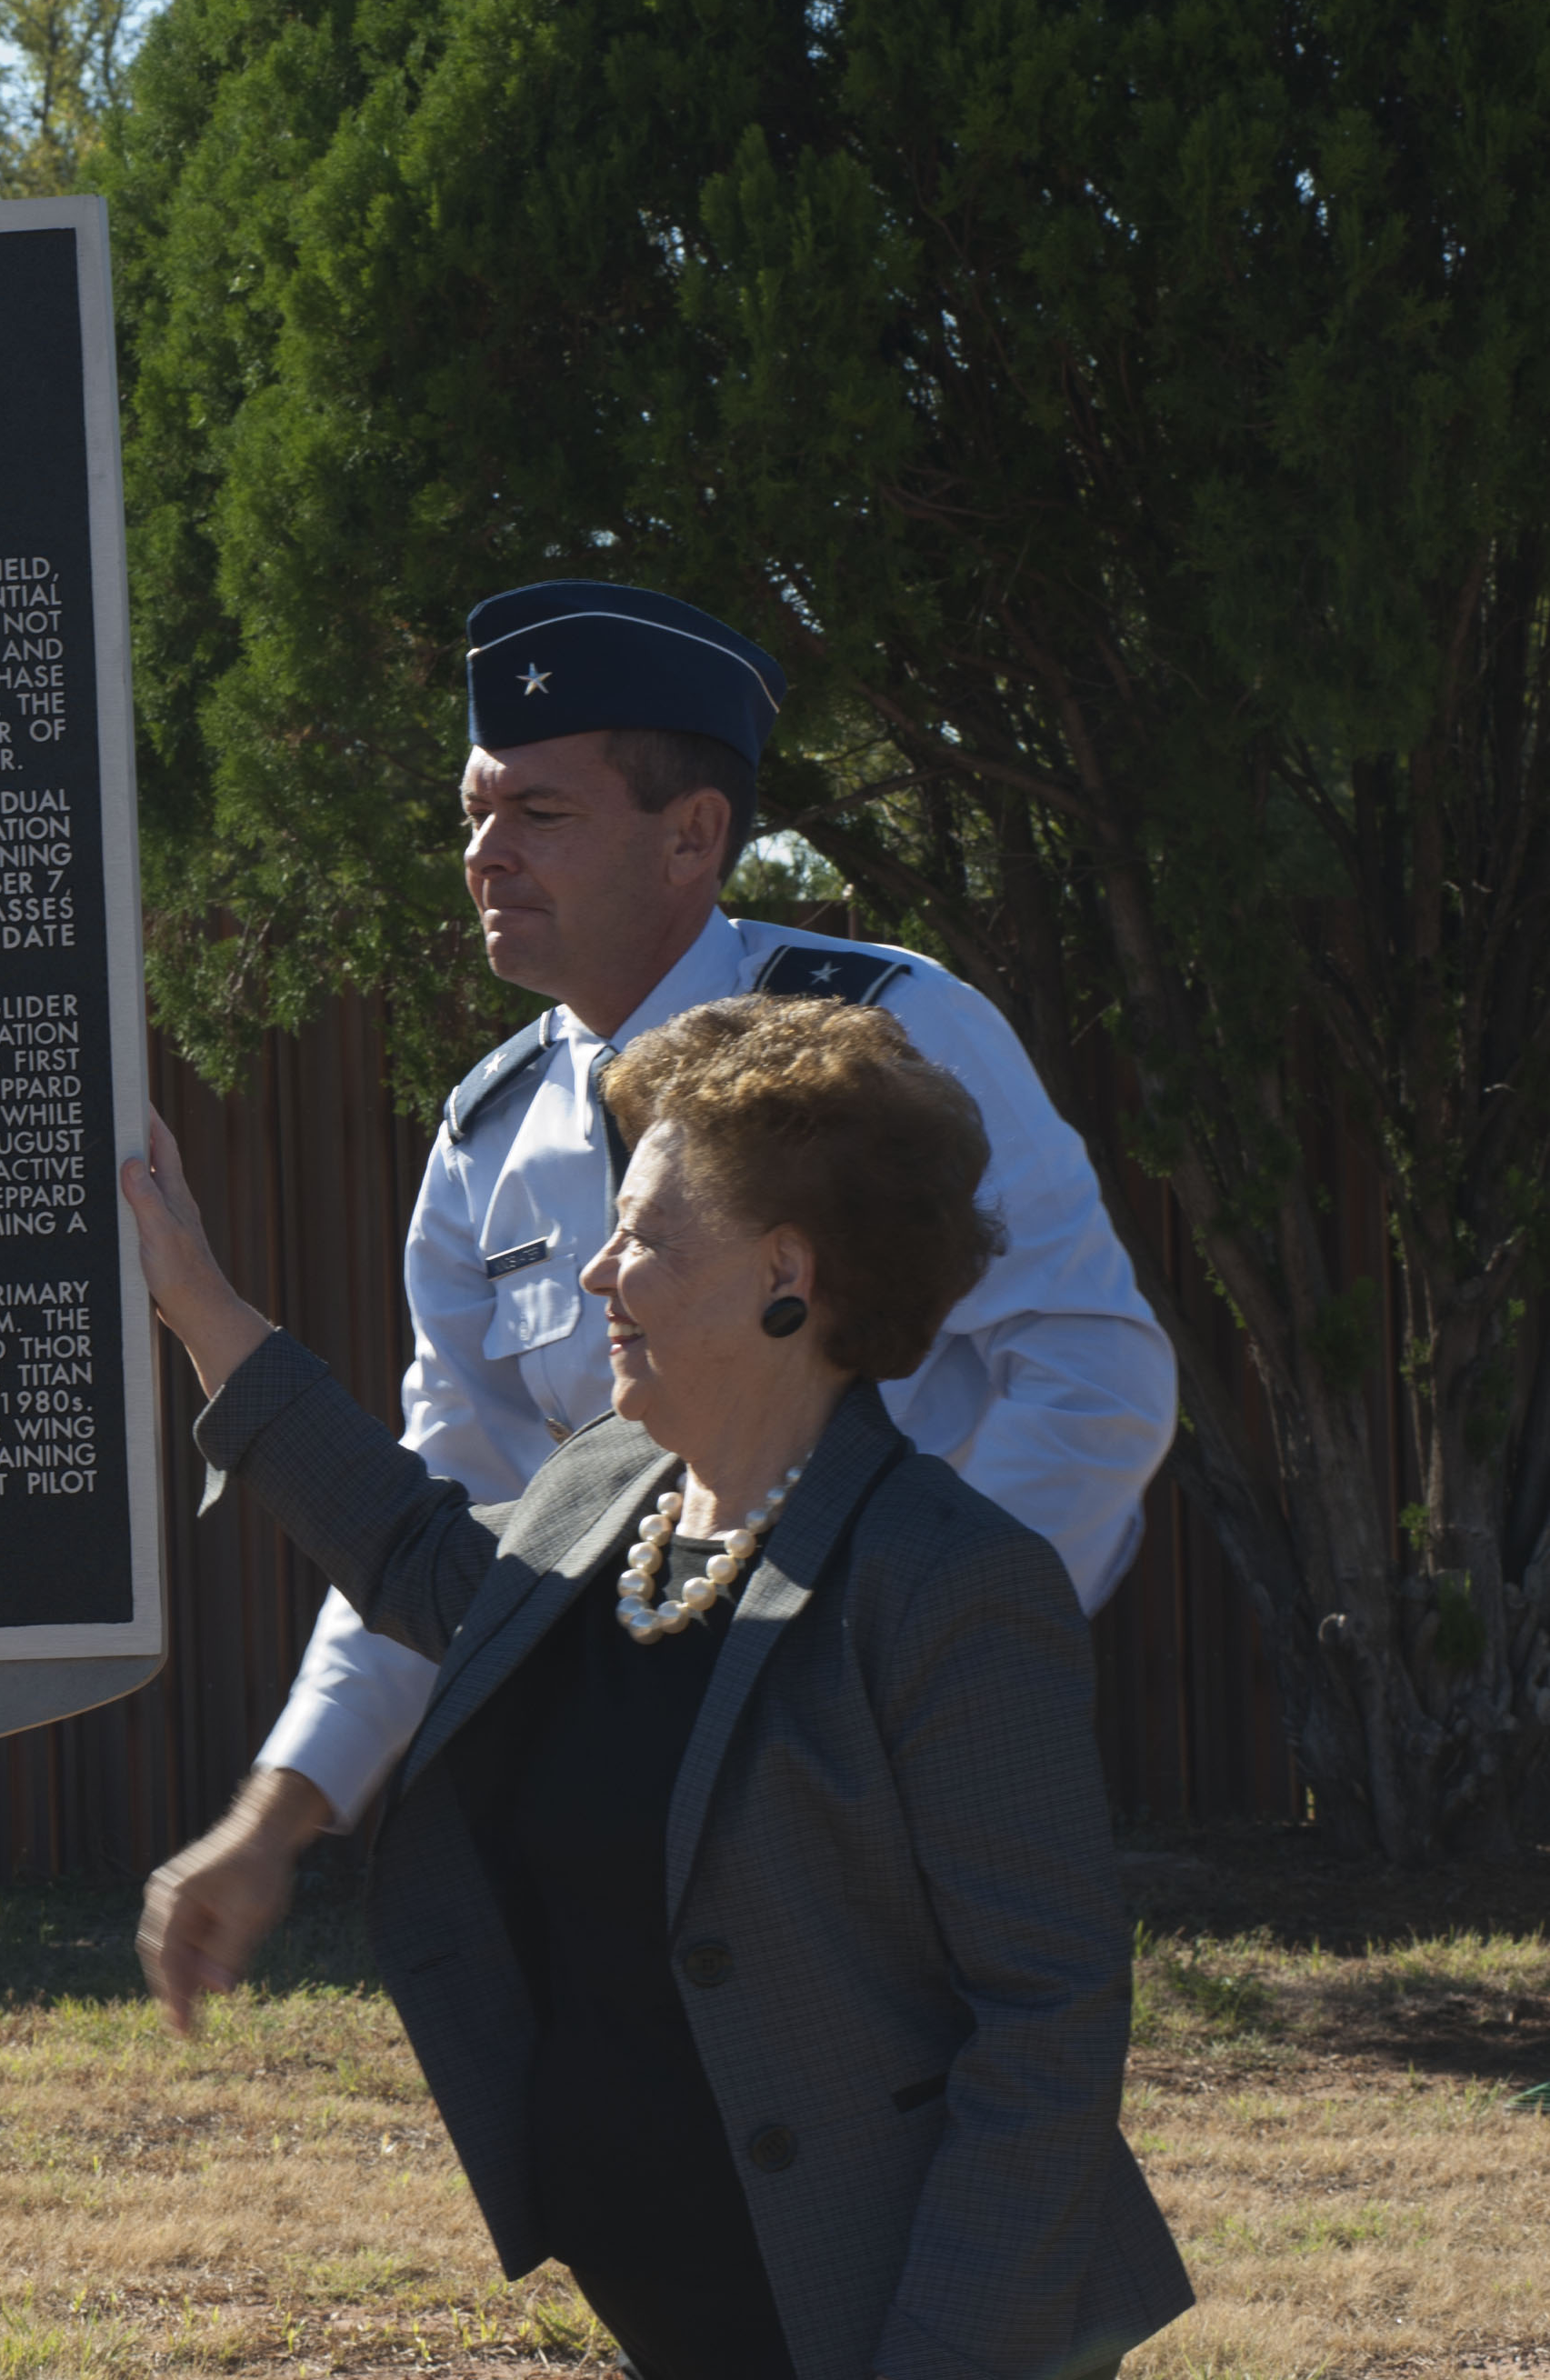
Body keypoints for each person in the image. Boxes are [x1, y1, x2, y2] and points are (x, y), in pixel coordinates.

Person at [122, 998, 1193, 2380]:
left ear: (783, 1274)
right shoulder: (605, 1498)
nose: (596, 1277)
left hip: (889, 2329)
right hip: (679, 2309)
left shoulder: (950, 1584)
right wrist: (194, 1292)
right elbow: (411, 1551)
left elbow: (1048, 2023)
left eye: (640, 1238)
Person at [140, 580, 1175, 2009]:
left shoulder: (890, 1032)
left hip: (895, 1792)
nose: (486, 856)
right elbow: (452, 1508)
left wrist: (918, 1672)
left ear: (693, 836)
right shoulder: (489, 1135)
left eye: (540, 816)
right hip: (636, 1796)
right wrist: (279, 1815)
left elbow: (1093, 1371)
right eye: (473, 815)